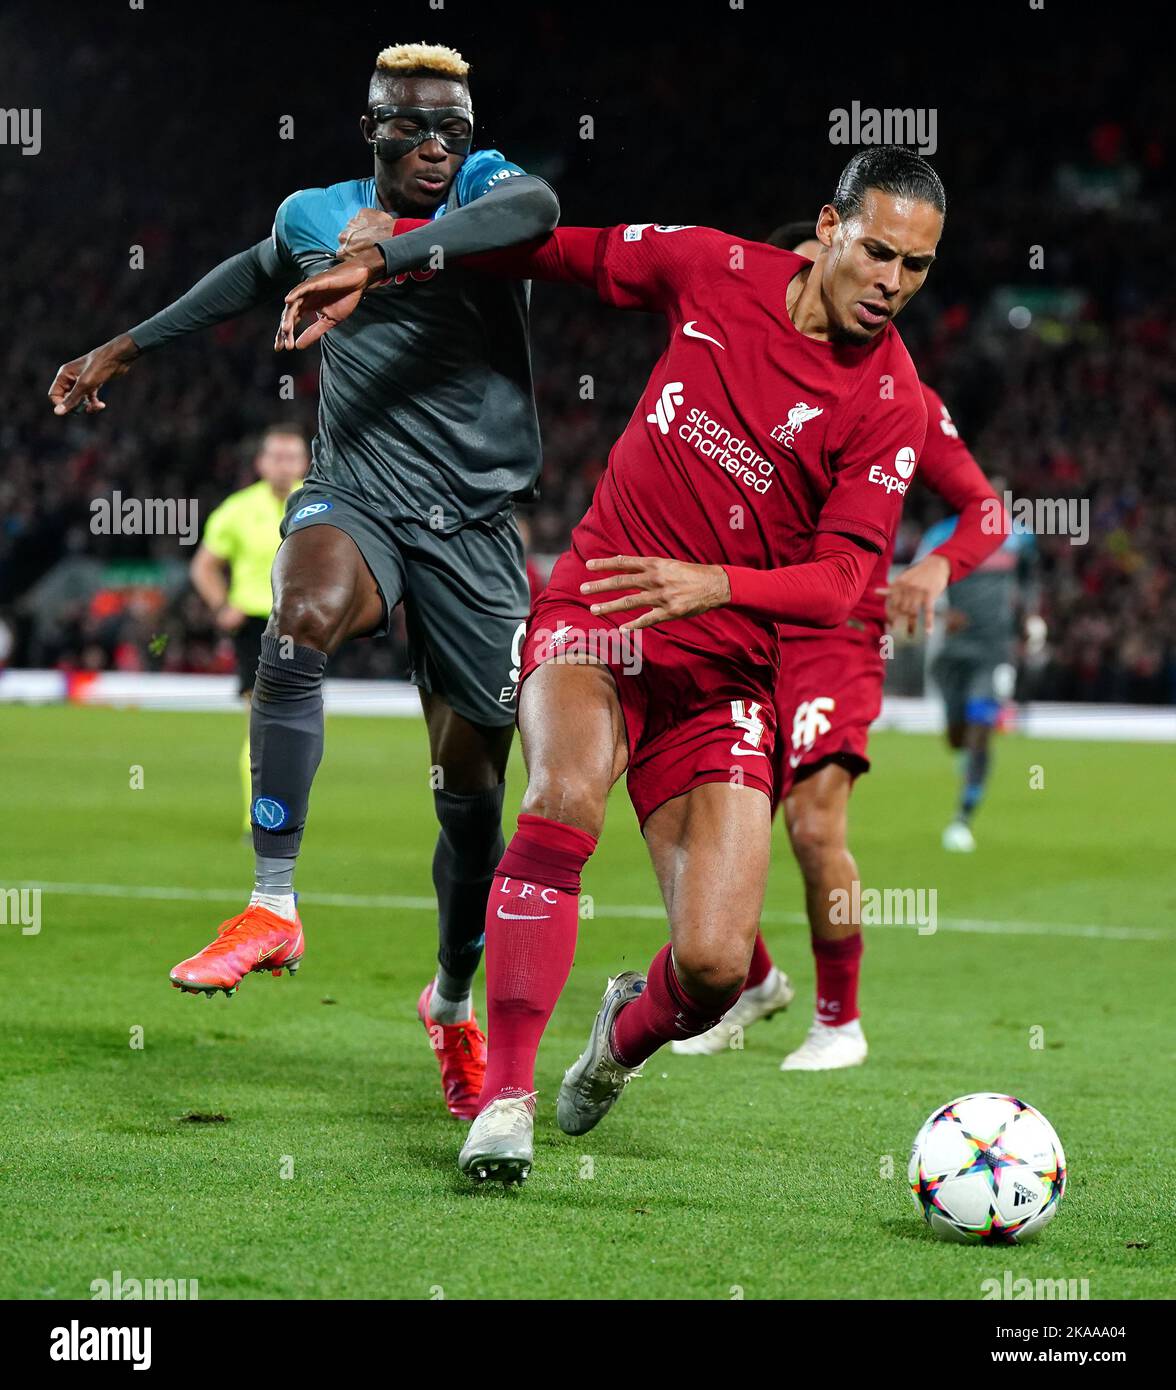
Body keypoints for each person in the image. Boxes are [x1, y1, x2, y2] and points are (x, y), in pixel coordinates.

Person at [287, 146, 946, 1180]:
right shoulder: (712, 270)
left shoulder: (892, 402)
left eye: (915, 268)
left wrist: (715, 585)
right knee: (561, 800)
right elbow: (558, 251)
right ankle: (503, 1095)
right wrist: (397, 255)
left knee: (717, 966)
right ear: (828, 227)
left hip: (724, 668)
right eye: (877, 253)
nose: (891, 284)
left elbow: (846, 581)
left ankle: (617, 1043)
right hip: (601, 607)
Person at [47, 41, 560, 1121]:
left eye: (454, 131)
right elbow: (248, 272)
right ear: (369, 128)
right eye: (414, 129)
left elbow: (538, 212)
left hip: (473, 526)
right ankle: (272, 901)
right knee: (301, 610)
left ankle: (452, 999)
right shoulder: (312, 215)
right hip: (359, 490)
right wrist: (127, 346)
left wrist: (388, 259)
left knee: (471, 802)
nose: (437, 148)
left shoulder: (485, 190)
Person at [669, 222, 1007, 1070]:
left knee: (813, 825)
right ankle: (753, 980)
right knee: (679, 818)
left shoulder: (898, 398)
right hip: (733, 629)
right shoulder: (737, 364)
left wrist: (934, 568)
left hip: (834, 637)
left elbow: (987, 511)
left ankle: (840, 1021)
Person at [189, 425, 310, 834]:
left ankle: (283, 813)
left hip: (305, 624)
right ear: (260, 462)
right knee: (261, 725)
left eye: (291, 456)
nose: (283, 465)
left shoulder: (317, 505)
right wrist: (222, 605)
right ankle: (256, 817)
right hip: (257, 628)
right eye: (275, 456)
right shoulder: (237, 510)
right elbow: (204, 565)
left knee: (300, 725)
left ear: (305, 462)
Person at [920, 491, 1039, 851]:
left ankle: (962, 817)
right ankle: (966, 755)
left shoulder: (1017, 536)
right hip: (955, 652)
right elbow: (913, 588)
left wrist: (1029, 618)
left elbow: (1031, 578)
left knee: (981, 726)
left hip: (995, 651)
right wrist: (941, 615)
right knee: (958, 735)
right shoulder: (940, 537)